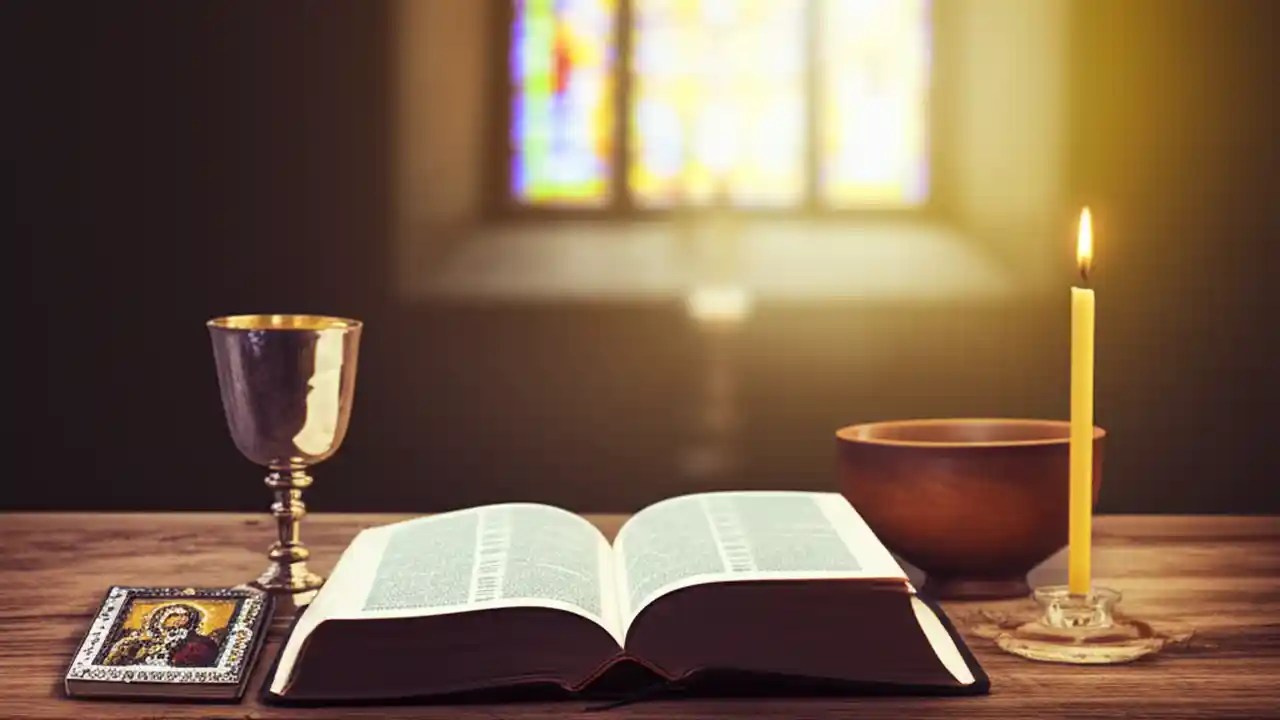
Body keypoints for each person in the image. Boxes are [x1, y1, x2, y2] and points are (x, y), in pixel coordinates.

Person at [102, 603, 221, 667]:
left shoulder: (194, 641)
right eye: (173, 616)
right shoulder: (137, 640)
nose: (178, 621)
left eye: (185, 618)